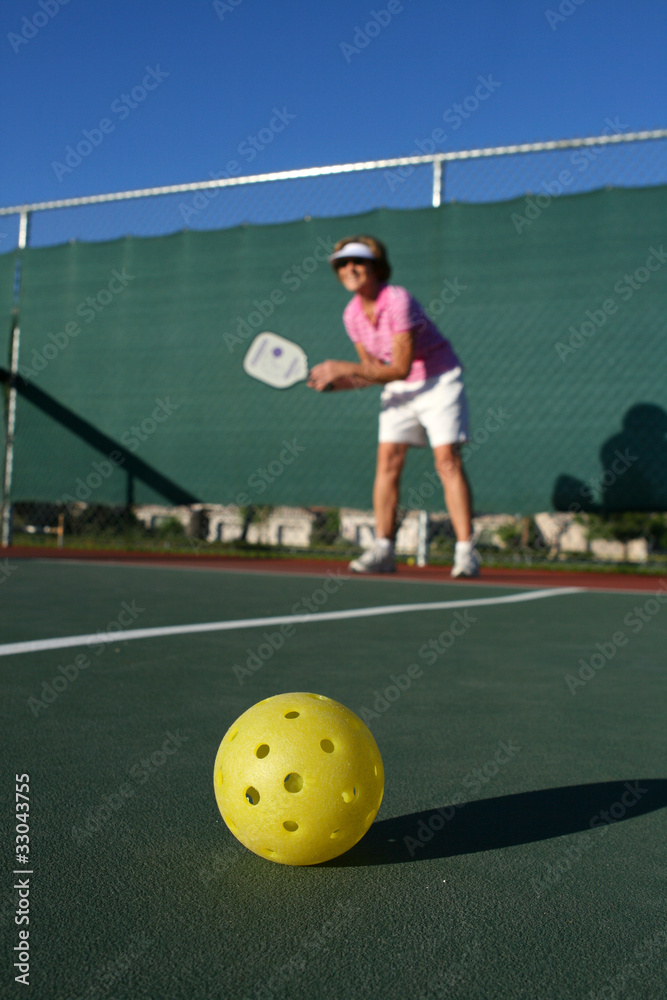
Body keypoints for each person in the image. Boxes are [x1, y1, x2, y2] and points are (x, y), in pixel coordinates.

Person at [307, 235, 479, 578]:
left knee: (446, 460)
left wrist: (344, 368)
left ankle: (465, 552)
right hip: (399, 388)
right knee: (387, 460)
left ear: (376, 266)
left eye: (358, 261)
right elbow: (374, 374)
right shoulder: (352, 315)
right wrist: (336, 386)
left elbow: (398, 366)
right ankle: (384, 550)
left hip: (437, 380)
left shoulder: (398, 300)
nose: (349, 268)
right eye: (342, 263)